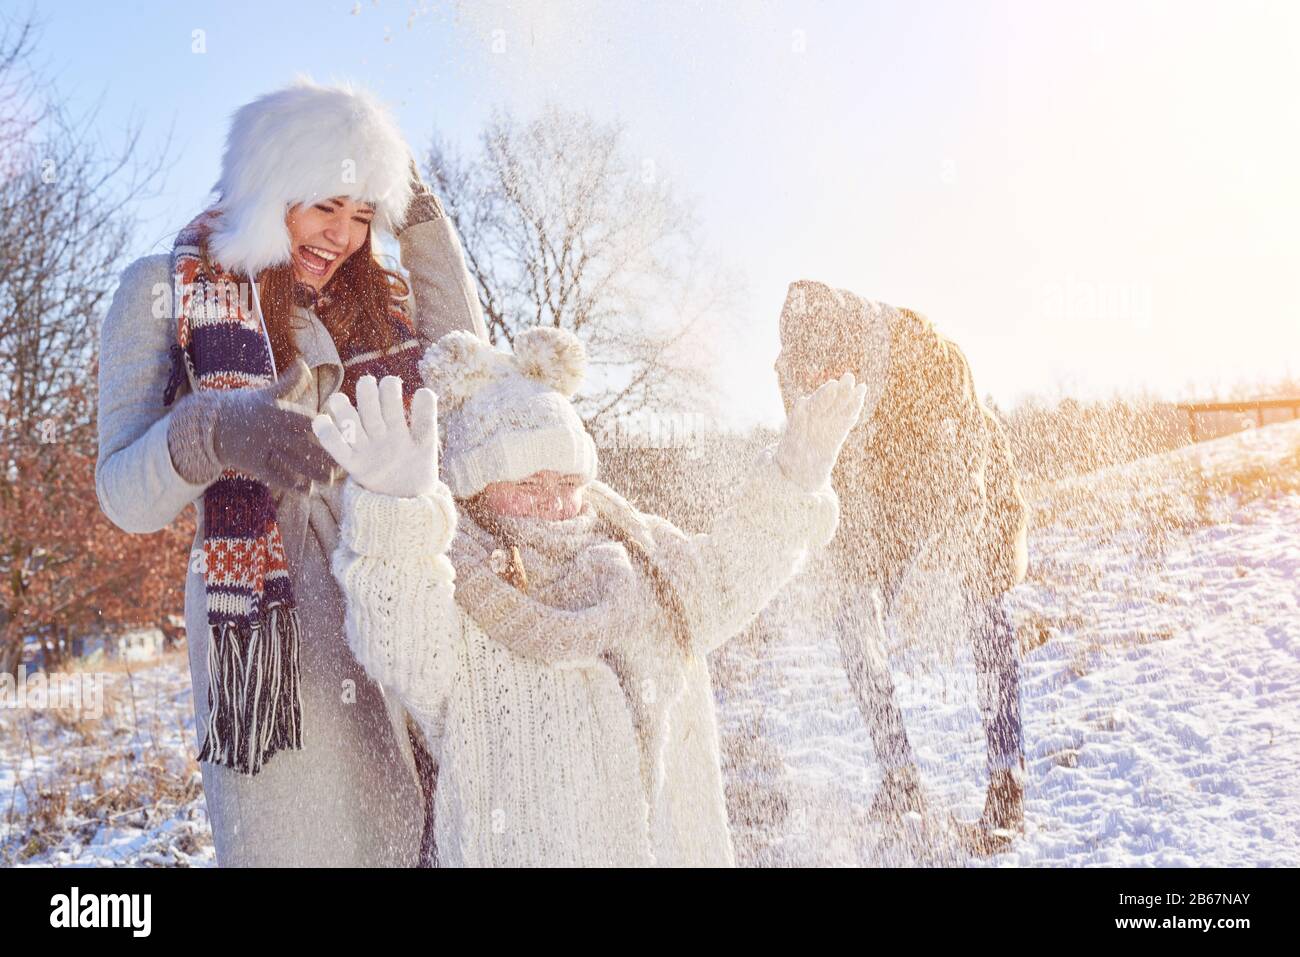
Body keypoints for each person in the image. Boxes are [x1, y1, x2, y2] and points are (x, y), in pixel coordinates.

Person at [94, 78, 488, 866]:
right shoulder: (162, 291)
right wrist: (210, 431)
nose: (341, 235)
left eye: (363, 212)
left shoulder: (376, 307)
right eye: (323, 204)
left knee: (433, 838)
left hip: (401, 606)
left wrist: (411, 198)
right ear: (271, 186)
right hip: (278, 645)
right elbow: (121, 494)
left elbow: (469, 375)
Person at [310, 326, 867, 865]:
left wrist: (794, 477)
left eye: (568, 483)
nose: (554, 504)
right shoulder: (452, 589)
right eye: (528, 485)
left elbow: (729, 577)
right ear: (476, 488)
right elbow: (397, 640)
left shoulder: (644, 562)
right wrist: (398, 517)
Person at [773, 280, 1030, 857]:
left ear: (851, 346)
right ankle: (899, 778)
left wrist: (923, 562)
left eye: (831, 365)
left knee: (983, 604)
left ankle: (1006, 778)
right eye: (811, 371)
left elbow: (955, 472)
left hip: (970, 476)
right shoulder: (796, 372)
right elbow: (814, 465)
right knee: (852, 615)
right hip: (878, 492)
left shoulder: (919, 350)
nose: (820, 379)